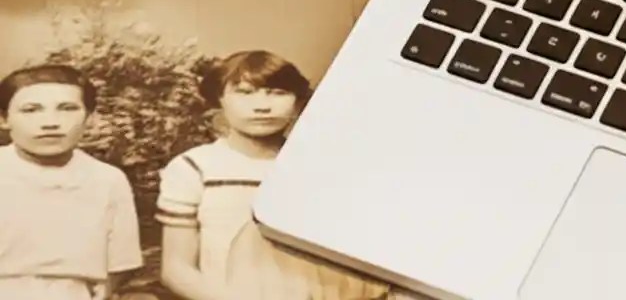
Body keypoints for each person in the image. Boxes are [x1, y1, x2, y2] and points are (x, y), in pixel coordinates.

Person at [156, 50, 388, 300]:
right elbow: (176, 269)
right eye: (244, 93)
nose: (262, 106)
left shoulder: (319, 169)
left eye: (277, 93)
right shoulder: (195, 167)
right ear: (219, 99)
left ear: (298, 101)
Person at [0, 63, 143, 300]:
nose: (50, 122)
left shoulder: (107, 180)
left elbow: (122, 262)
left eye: (67, 108)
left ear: (90, 118)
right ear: (4, 119)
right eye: (31, 110)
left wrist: (107, 286)